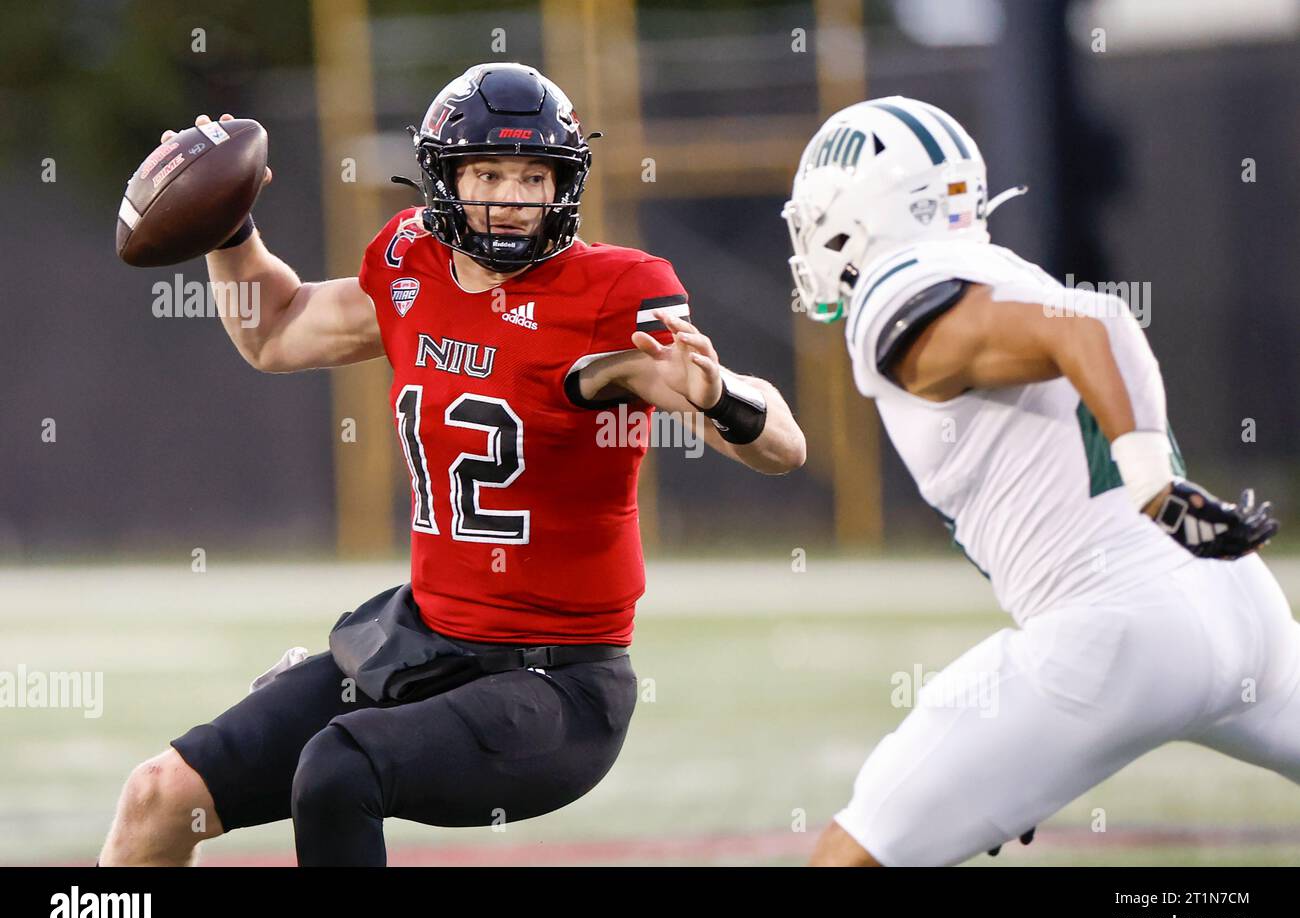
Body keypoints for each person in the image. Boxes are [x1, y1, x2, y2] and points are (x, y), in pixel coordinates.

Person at [99, 62, 805, 867]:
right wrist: (229, 229)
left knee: (337, 769)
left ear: (563, 186)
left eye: (534, 176)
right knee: (160, 798)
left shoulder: (612, 297)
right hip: (425, 643)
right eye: (488, 174)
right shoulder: (413, 264)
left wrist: (720, 399)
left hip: (555, 684)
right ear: (443, 179)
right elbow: (278, 330)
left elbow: (784, 447)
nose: (511, 198)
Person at [783, 95, 1292, 866]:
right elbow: (1091, 325)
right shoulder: (998, 267)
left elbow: (1092, 324)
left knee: (850, 857)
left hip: (1114, 632)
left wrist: (1150, 479)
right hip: (1240, 609)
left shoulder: (895, 286)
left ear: (861, 215)